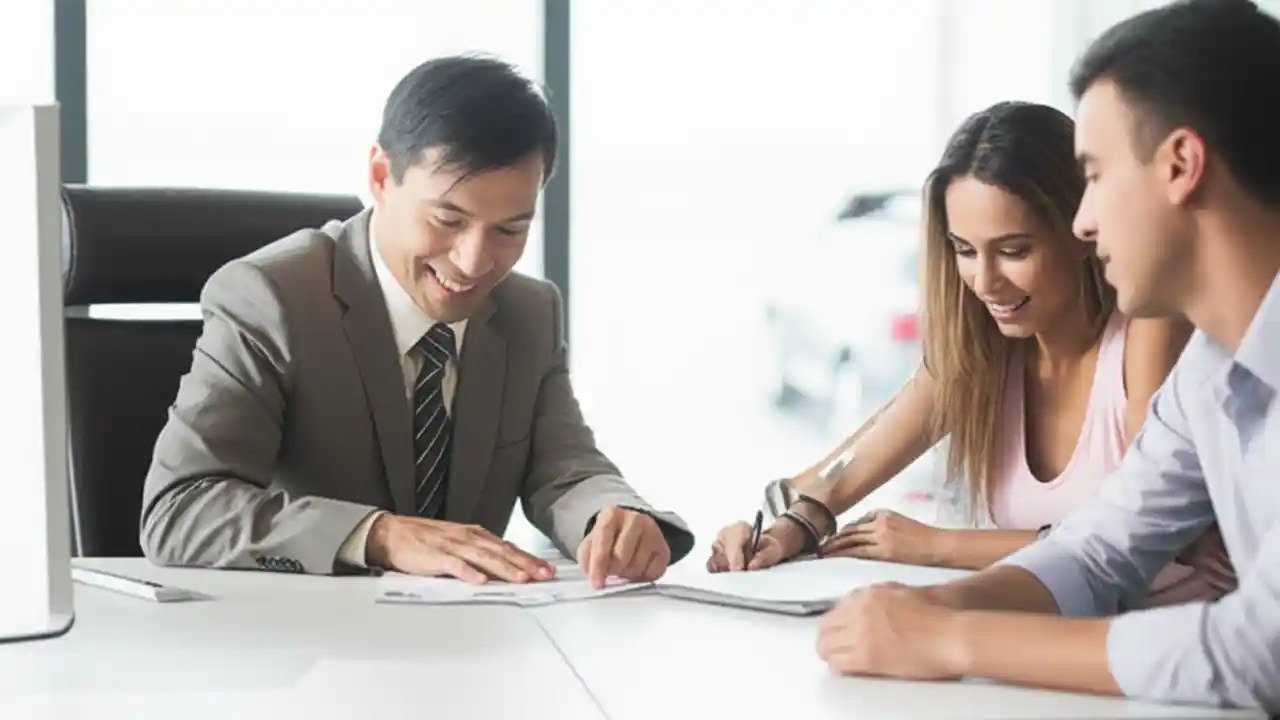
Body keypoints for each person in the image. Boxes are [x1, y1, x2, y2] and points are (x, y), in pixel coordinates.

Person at [815, 0, 1280, 711]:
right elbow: (1100, 548)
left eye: (1093, 175)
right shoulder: (1211, 370)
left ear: (1182, 164)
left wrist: (951, 641)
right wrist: (935, 608)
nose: (1084, 222)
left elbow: (1257, 652)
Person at [139, 55, 693, 586]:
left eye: (510, 231)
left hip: (469, 653)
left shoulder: (530, 312)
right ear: (382, 175)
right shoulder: (272, 297)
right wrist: (378, 535)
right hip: (305, 651)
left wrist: (610, 515)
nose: (475, 262)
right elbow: (181, 508)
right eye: (447, 219)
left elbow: (567, 469)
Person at [707, 101, 1231, 605]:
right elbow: (836, 476)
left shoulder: (1147, 331)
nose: (985, 282)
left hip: (1182, 663)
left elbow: (1141, 538)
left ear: (1081, 230)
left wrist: (939, 545)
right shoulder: (982, 355)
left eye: (1013, 251)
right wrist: (778, 528)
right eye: (964, 251)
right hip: (1060, 651)